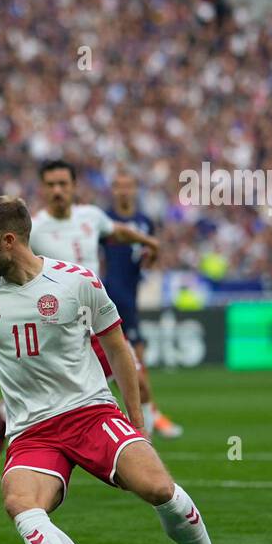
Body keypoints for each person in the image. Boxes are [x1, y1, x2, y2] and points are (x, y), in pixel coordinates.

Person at [0, 195, 255, 544]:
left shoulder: (77, 282)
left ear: (8, 241)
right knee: (20, 502)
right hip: (32, 431)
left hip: (91, 414)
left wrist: (135, 420)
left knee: (158, 489)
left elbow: (117, 346)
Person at [0, 159, 159, 452]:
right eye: (51, 184)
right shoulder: (34, 230)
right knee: (50, 396)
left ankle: (144, 453)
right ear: (42, 188)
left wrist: (150, 242)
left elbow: (117, 231)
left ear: (74, 186)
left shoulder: (91, 216)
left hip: (96, 325)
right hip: (55, 328)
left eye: (63, 184)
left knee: (139, 384)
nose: (57, 190)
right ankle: (6, 409)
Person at [105, 169, 183, 438]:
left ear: (135, 189)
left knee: (137, 361)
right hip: (107, 299)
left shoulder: (144, 222)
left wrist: (151, 257)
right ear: (113, 190)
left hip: (131, 297)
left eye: (128, 185)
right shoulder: (104, 221)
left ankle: (146, 417)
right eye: (118, 185)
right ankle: (145, 419)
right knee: (123, 365)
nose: (123, 190)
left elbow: (146, 262)